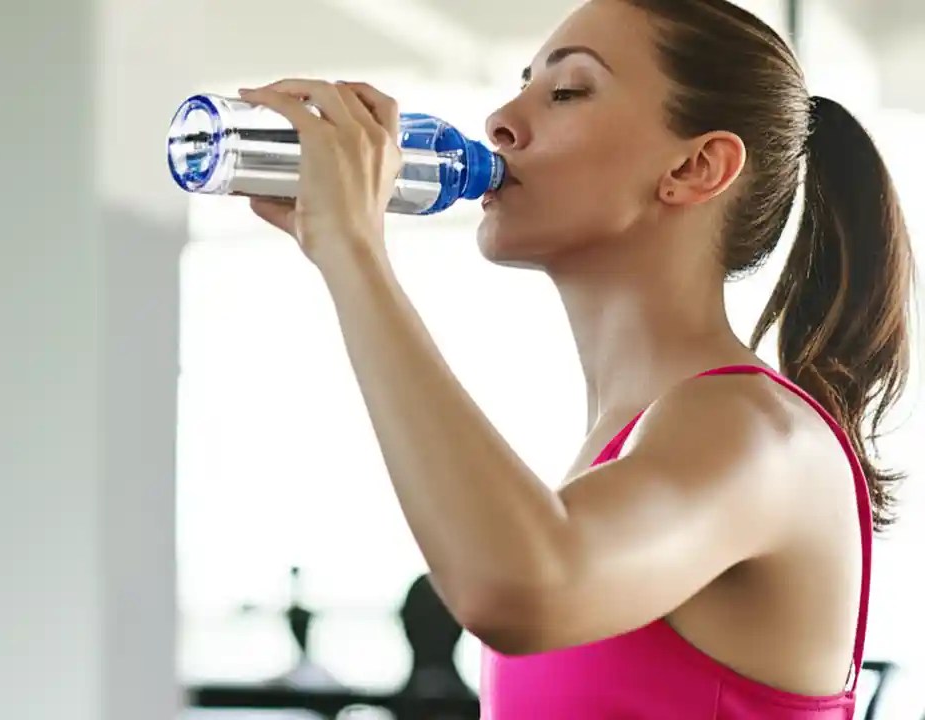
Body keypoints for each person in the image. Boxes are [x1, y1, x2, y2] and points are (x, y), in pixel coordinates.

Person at [235, 0, 916, 716]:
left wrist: (353, 251)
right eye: (523, 83)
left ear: (695, 165)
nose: (499, 119)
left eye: (566, 91)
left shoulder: (757, 431)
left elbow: (520, 586)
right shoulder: (626, 451)